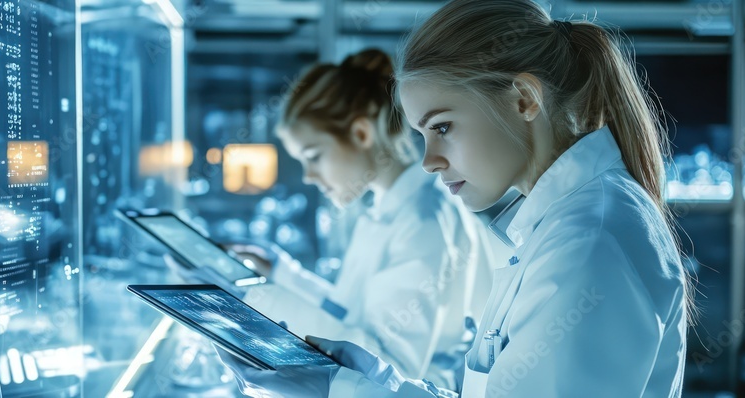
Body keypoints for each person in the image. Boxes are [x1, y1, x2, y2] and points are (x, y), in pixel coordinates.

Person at [217, 0, 690, 397]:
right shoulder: (558, 225)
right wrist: (372, 379)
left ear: (524, 100)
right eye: (424, 134)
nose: (430, 161)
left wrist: (342, 390)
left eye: (443, 127)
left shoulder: (589, 240)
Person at [237, 48, 502, 388]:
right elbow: (352, 316)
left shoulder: (424, 221)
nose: (308, 176)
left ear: (361, 133)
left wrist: (257, 296)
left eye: (314, 155)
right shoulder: (386, 208)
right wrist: (282, 275)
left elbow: (386, 364)